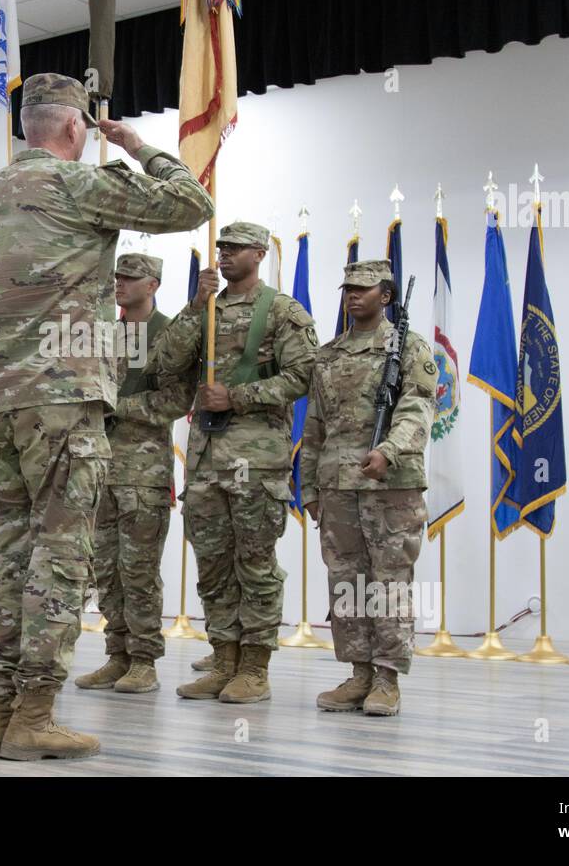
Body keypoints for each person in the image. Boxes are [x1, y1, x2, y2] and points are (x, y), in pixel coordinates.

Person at [0, 72, 213, 761]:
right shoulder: (79, 184)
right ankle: (33, 717)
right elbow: (192, 201)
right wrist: (140, 146)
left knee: (0, 552)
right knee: (61, 553)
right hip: (58, 401)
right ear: (75, 130)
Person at [153, 221, 317, 703]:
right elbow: (166, 361)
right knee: (213, 564)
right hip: (205, 457)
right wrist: (193, 304)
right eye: (220, 247)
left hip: (257, 457)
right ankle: (223, 659)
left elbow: (303, 375)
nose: (223, 255)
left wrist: (238, 397)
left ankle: (255, 668)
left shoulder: (282, 311)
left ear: (259, 253)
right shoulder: (206, 308)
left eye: (234, 248)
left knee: (255, 563)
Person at [304, 260, 436, 717]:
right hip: (337, 486)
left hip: (389, 488)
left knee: (389, 583)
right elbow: (315, 425)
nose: (353, 296)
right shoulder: (328, 355)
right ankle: (358, 672)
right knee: (346, 582)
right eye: (349, 289)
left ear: (386, 295)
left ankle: (387, 678)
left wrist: (390, 450)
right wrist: (308, 487)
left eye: (365, 289)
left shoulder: (410, 348)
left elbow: (417, 410)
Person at [75, 253, 193, 695]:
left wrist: (118, 407)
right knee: (105, 567)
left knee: (138, 570)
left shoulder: (168, 334)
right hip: (98, 466)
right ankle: (117, 654)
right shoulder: (102, 332)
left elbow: (178, 398)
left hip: (142, 470)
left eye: (130, 278)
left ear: (154, 284)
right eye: (117, 277)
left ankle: (144, 660)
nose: (120, 284)